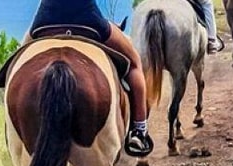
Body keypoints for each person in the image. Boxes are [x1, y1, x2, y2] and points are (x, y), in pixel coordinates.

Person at [24, 0, 153, 157]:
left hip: (46, 18)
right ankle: (139, 130)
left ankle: (14, 129)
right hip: (87, 17)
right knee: (134, 62)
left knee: (19, 60)